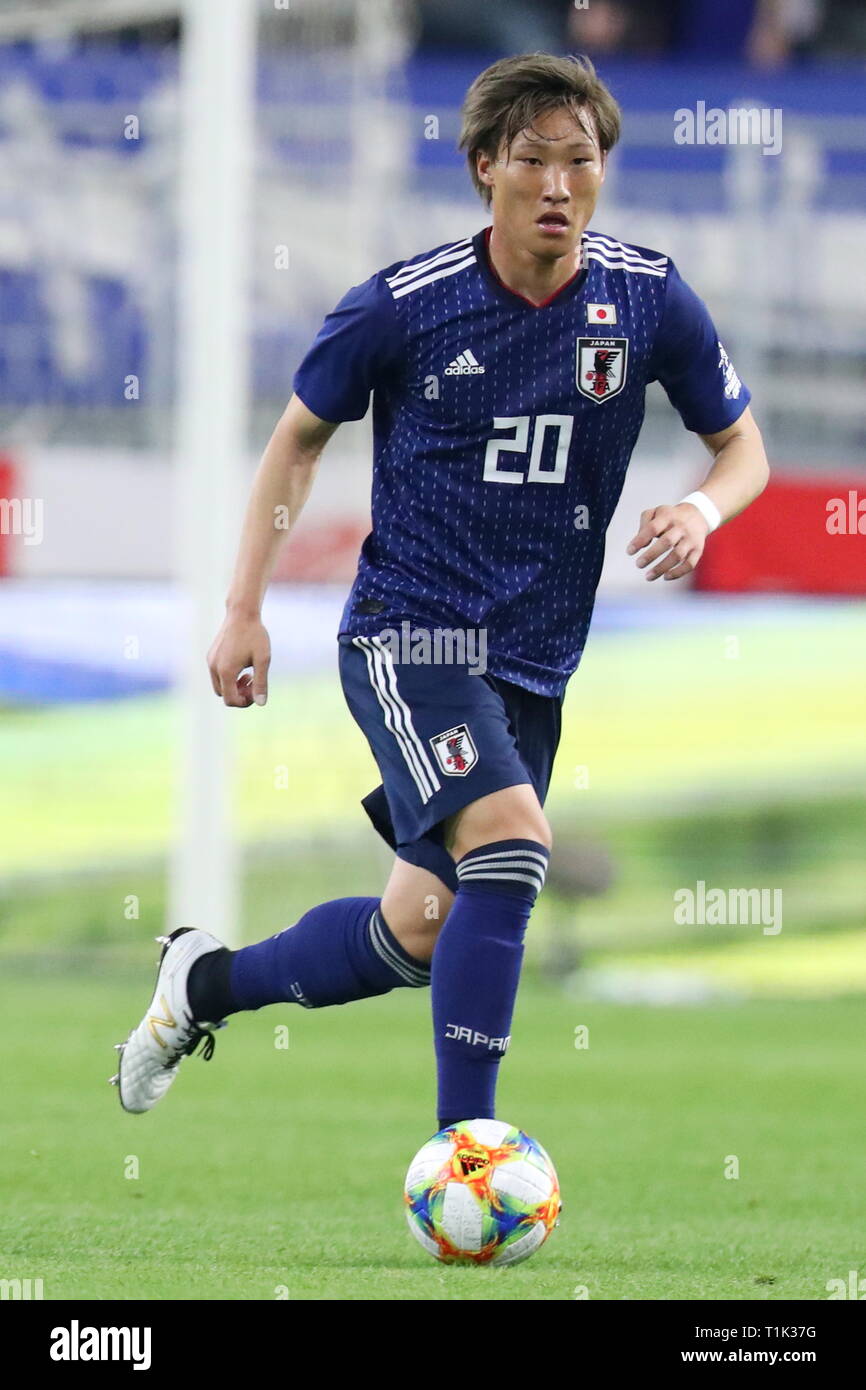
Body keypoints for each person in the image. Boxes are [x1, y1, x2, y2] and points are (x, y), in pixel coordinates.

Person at [111, 54, 769, 1142]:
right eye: (534, 161)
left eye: (581, 161)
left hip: (533, 658)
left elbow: (738, 445)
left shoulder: (645, 296)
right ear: (483, 169)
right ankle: (469, 1150)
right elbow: (296, 443)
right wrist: (242, 607)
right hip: (408, 633)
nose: (559, 185)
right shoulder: (404, 307)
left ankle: (199, 985)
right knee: (511, 846)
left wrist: (700, 511)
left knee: (417, 929)